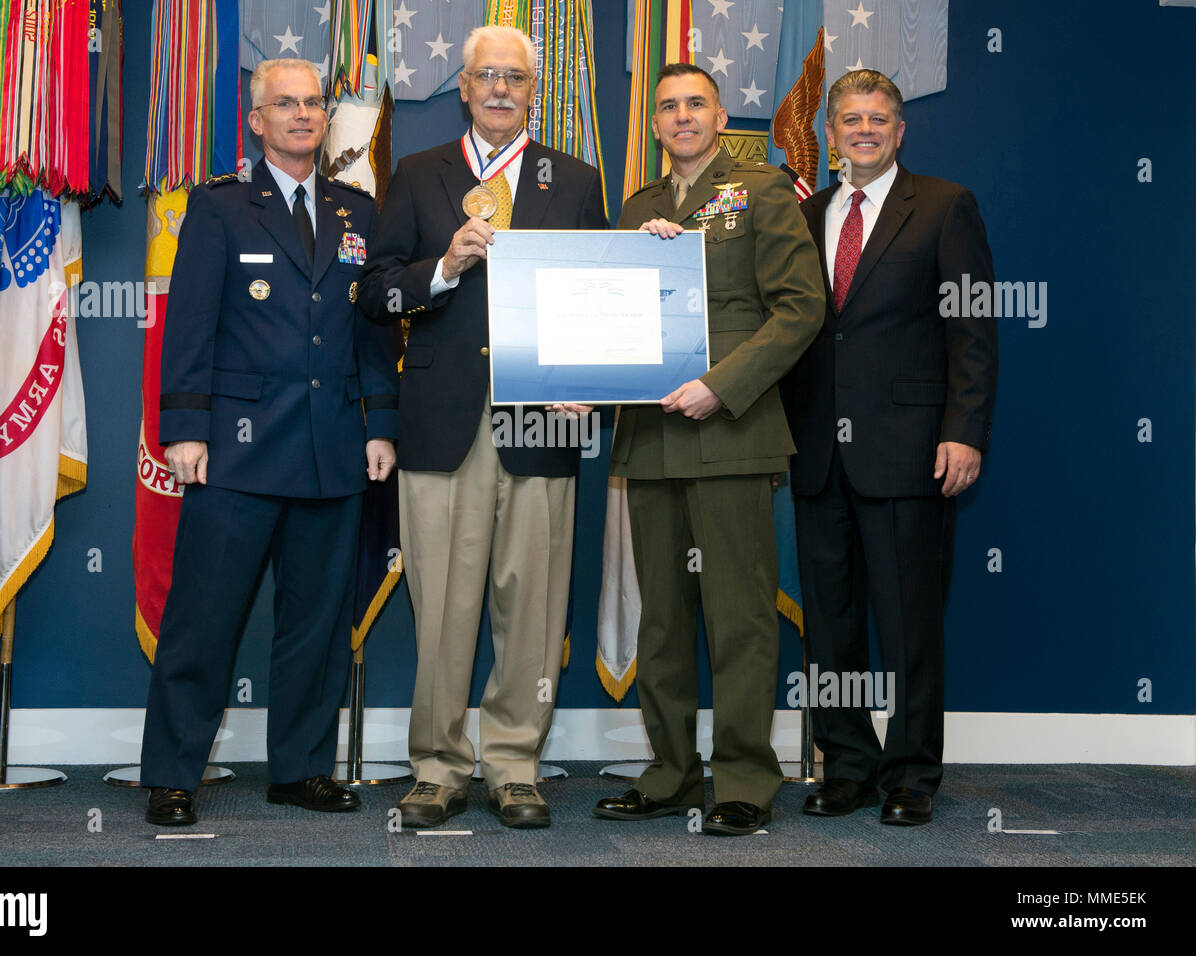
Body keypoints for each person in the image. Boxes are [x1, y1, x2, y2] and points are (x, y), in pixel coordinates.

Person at [357, 25, 606, 829]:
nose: (501, 89)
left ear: (536, 90)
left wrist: (591, 380)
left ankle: (514, 764)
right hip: (441, 426)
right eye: (485, 76)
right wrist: (443, 270)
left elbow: (599, 298)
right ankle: (436, 765)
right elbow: (375, 294)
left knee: (531, 608)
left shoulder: (574, 179)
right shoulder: (419, 175)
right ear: (462, 87)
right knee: (444, 608)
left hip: (543, 425)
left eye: (517, 78)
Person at [139, 58, 399, 826]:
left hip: (332, 448)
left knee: (318, 625)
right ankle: (175, 774)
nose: (302, 114)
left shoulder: (358, 212)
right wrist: (183, 430)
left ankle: (301, 769)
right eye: (283, 103)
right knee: (203, 619)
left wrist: (379, 422)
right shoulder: (219, 207)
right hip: (237, 450)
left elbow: (372, 335)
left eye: (312, 102)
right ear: (256, 120)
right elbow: (187, 325)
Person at [592, 63, 825, 835]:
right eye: (667, 107)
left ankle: (745, 784)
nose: (682, 116)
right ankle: (667, 773)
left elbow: (800, 309)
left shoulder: (762, 190)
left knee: (739, 618)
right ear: (654, 124)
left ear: (721, 116)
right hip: (652, 438)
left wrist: (721, 385)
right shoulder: (637, 208)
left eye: (696, 103)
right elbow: (611, 319)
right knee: (661, 619)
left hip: (730, 430)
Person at [783, 69, 997, 826]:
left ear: (899, 131)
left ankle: (911, 774)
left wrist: (963, 431)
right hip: (816, 453)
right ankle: (846, 764)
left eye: (877, 119)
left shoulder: (944, 206)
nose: (863, 130)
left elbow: (973, 332)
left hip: (910, 451)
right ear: (830, 134)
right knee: (831, 623)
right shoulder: (807, 216)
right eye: (849, 119)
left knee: (909, 624)